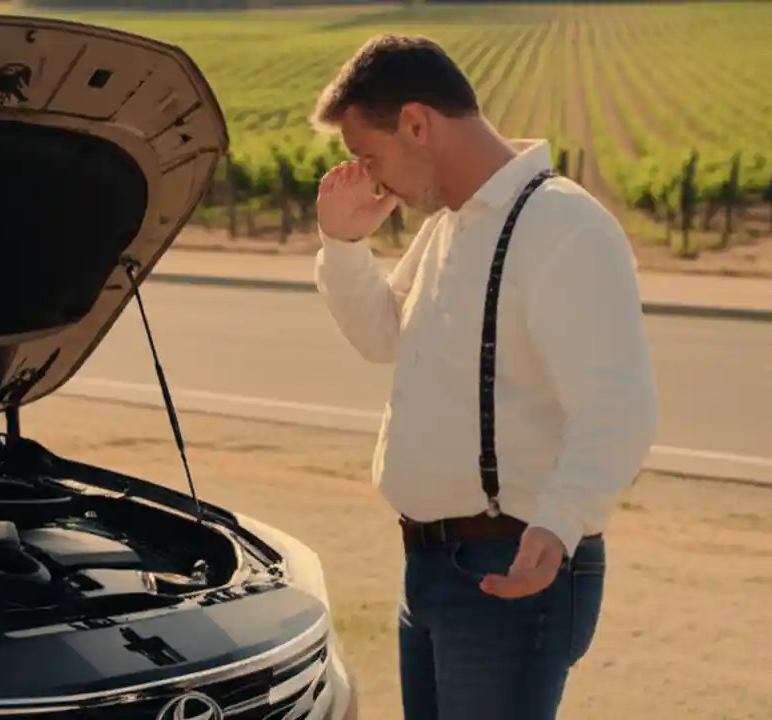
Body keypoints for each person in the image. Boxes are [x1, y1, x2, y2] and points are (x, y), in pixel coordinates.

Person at [309, 35, 659, 719]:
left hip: (510, 569)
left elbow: (617, 408)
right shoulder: (449, 225)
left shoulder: (565, 226)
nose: (371, 179)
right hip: (430, 568)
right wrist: (342, 245)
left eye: (368, 156)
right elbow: (384, 336)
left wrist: (558, 526)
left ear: (417, 123)